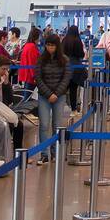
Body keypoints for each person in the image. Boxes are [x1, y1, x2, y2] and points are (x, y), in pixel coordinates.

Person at [33, 33, 71, 162]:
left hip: (59, 96)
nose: (50, 48)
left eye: (52, 45)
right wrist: (48, 94)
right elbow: (38, 78)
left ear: (57, 46)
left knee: (57, 125)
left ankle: (55, 152)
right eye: (48, 45)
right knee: (44, 125)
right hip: (44, 96)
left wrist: (56, 94)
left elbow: (66, 78)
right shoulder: (40, 59)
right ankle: (44, 154)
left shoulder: (64, 60)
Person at [61, 25, 86, 112]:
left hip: (65, 67)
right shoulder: (77, 40)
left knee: (62, 89)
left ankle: (58, 108)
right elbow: (81, 54)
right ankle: (73, 110)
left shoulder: (64, 40)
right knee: (73, 90)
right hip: (75, 68)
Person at [18, 27, 40, 98]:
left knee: (26, 96)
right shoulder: (32, 47)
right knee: (27, 98)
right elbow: (32, 63)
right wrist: (35, 76)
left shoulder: (27, 45)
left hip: (27, 74)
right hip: (30, 76)